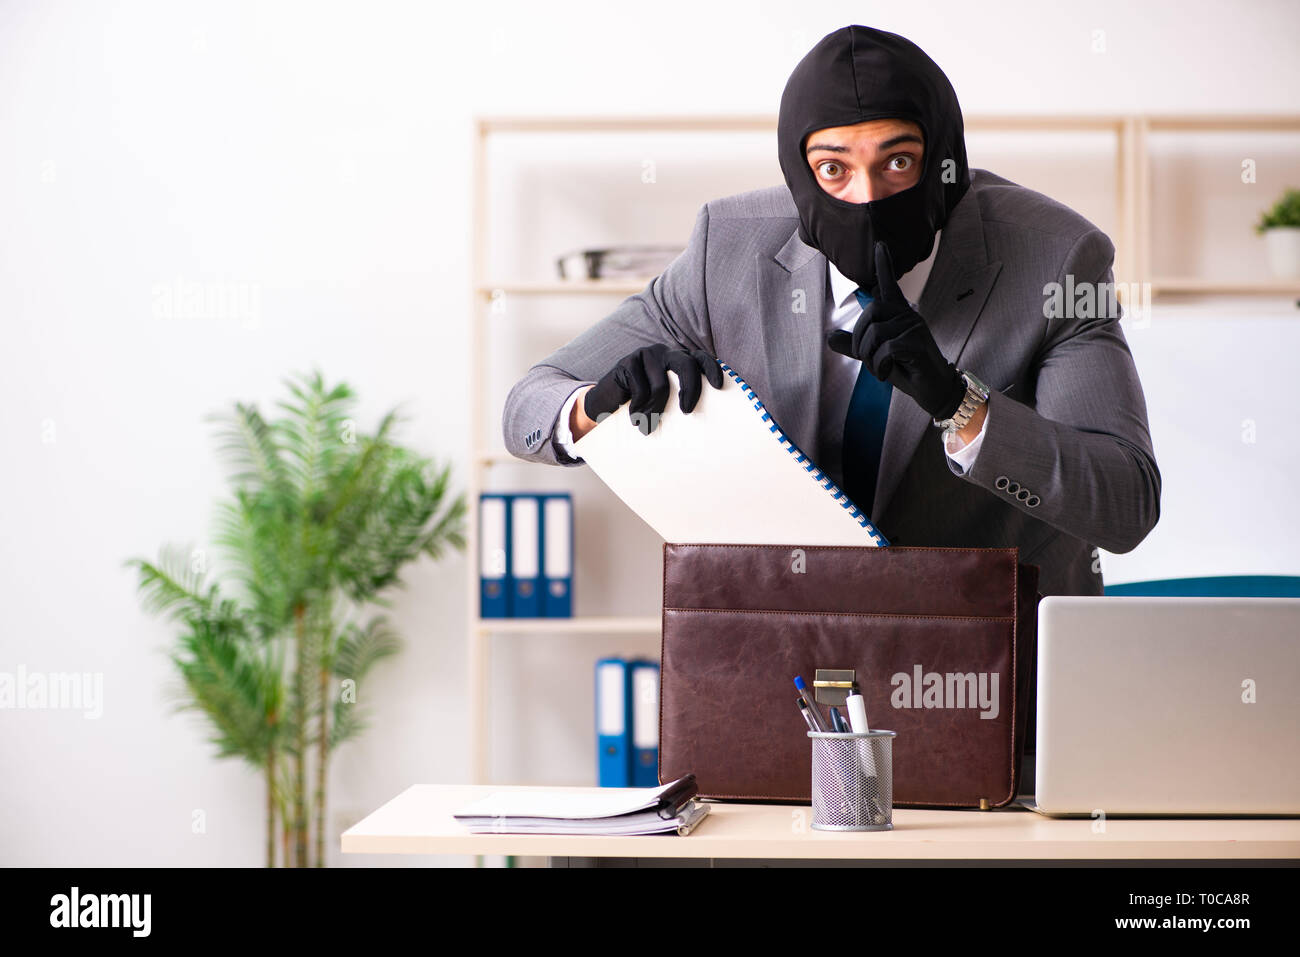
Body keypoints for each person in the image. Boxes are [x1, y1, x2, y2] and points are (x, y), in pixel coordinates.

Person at [503, 24, 1161, 602]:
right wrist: (599, 403)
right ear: (799, 173)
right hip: (791, 657)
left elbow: (1126, 503)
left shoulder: (1055, 258)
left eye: (898, 161)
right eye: (833, 168)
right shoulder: (727, 250)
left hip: (990, 670)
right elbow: (527, 406)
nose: (866, 195)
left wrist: (962, 407)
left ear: (945, 162)